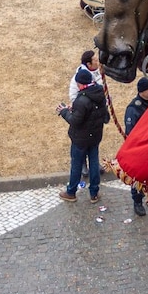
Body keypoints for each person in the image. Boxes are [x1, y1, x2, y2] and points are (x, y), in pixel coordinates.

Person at [57, 67, 109, 203]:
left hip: (80, 138)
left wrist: (64, 112)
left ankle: (71, 192)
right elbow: (103, 115)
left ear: (80, 83)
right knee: (94, 163)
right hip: (95, 136)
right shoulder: (99, 93)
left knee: (76, 165)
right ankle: (94, 193)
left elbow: (75, 121)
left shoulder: (81, 100)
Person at [123, 76, 148, 217]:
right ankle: (137, 201)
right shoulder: (133, 109)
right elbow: (130, 133)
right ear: (141, 91)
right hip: (141, 149)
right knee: (138, 177)